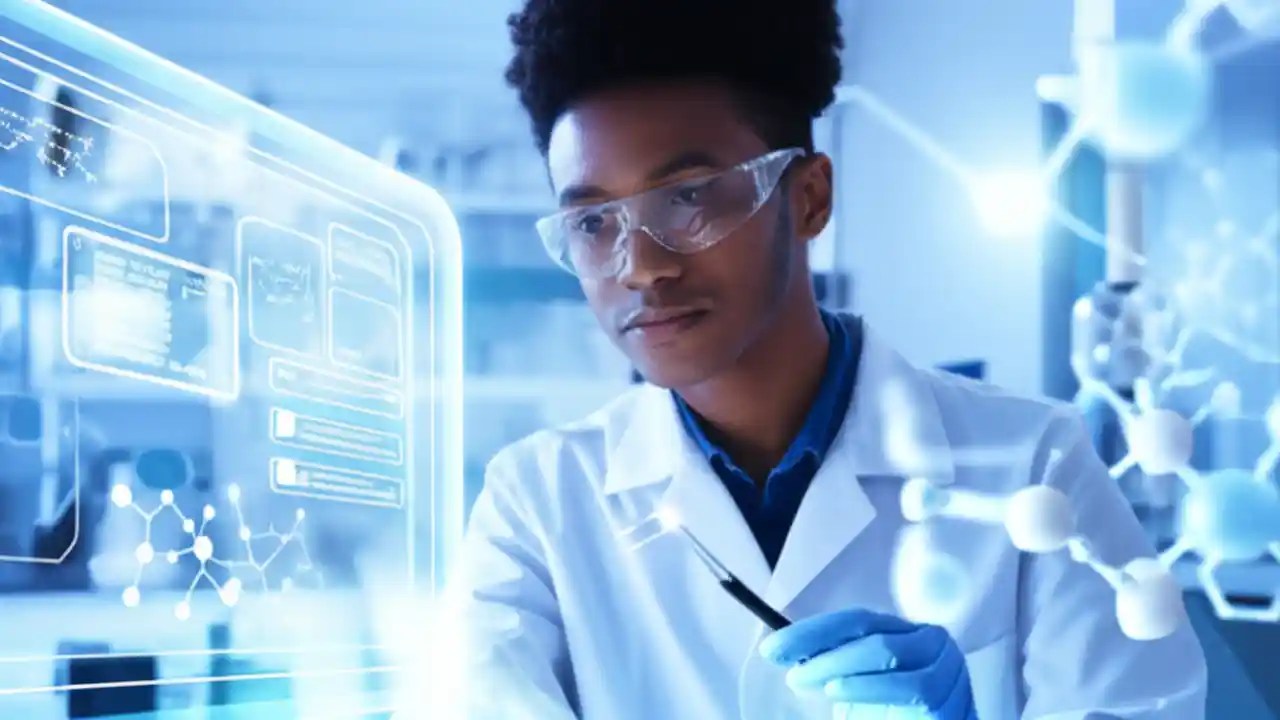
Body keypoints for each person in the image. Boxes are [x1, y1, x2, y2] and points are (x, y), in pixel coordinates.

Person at [453, 0, 1208, 717]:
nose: (640, 265)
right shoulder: (538, 503)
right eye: (591, 222)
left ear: (809, 198)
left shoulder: (1035, 463)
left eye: (687, 199)